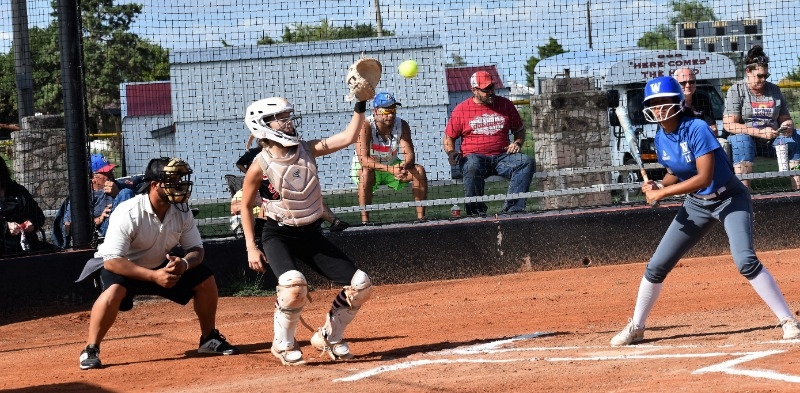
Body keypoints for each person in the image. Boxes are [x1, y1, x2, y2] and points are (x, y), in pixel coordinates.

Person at [609, 76, 800, 346]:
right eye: (654, 103)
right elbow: (674, 172)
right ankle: (637, 326)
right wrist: (659, 184)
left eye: (664, 101)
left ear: (677, 102)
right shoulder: (661, 138)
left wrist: (662, 193)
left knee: (745, 260)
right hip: (697, 204)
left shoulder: (696, 127)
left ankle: (788, 320)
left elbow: (703, 177)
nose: (659, 108)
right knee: (656, 266)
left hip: (729, 198)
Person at [240, 96, 373, 365]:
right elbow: (244, 206)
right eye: (281, 117)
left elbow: (348, 137)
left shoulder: (307, 149)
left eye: (288, 116)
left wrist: (360, 103)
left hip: (310, 233)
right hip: (278, 234)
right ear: (263, 125)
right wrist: (251, 247)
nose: (289, 121)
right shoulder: (259, 164)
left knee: (361, 285)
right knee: (292, 286)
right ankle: (283, 344)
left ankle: (329, 337)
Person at [75, 157, 240, 370]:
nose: (180, 184)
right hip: (123, 266)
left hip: (159, 264)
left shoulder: (182, 211)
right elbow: (112, 262)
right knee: (113, 291)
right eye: (172, 179)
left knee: (205, 279)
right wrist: (154, 276)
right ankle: (91, 348)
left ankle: (209, 338)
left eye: (181, 178)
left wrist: (184, 264)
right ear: (154, 185)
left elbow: (197, 251)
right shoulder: (128, 211)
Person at [444, 70, 535, 215]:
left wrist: (517, 143)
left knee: (526, 162)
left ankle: (513, 209)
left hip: (503, 157)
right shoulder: (461, 109)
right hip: (475, 158)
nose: (491, 92)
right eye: (486, 89)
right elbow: (449, 137)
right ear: (474, 90)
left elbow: (520, 130)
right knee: (472, 165)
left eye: (492, 87)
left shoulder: (505, 105)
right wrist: (450, 152)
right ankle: (476, 212)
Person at [723, 45, 799, 189]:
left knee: (798, 136)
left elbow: (785, 118)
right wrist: (760, 132)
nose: (763, 79)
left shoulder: (774, 90)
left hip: (774, 140)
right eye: (759, 76)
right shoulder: (736, 90)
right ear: (748, 71)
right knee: (741, 140)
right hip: (747, 140)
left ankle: (797, 189)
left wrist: (788, 124)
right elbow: (729, 125)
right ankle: (744, 193)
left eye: (766, 75)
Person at [236, 138, 349, 232]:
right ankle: (264, 228)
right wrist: (249, 174)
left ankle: (333, 221)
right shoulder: (257, 154)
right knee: (268, 203)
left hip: (285, 187)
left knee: (308, 197)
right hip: (265, 189)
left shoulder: (286, 152)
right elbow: (239, 163)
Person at [351, 92, 428, 223]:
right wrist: (390, 169)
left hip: (392, 165)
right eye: (386, 111)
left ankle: (422, 219)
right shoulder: (365, 126)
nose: (391, 114)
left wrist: (405, 165)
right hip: (369, 167)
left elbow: (409, 154)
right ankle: (365, 222)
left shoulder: (402, 125)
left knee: (419, 170)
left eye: (393, 110)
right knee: (366, 172)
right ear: (375, 111)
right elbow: (363, 159)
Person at [62, 154, 137, 242]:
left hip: (126, 228)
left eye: (111, 171)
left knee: (126, 192)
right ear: (92, 177)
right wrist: (99, 219)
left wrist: (117, 193)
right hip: (101, 234)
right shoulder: (81, 196)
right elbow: (68, 228)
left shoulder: (119, 186)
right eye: (105, 173)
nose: (111, 175)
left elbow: (138, 204)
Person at [0, 157, 45, 255]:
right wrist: (6, 227)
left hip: (27, 246)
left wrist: (32, 223)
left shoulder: (19, 191)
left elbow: (39, 215)